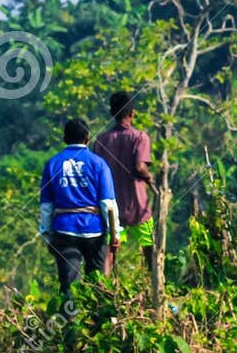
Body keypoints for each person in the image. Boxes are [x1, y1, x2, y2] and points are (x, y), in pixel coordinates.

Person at [39, 118, 119, 293]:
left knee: (69, 283)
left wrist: (46, 234)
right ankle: (98, 317)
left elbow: (46, 205)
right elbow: (108, 204)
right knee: (98, 284)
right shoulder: (99, 163)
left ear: (65, 139)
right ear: (87, 138)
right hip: (94, 230)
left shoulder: (52, 164)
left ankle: (67, 317)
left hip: (64, 229)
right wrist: (115, 234)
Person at [93, 91, 156, 280]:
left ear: (112, 113)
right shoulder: (139, 137)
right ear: (132, 113)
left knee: (111, 250)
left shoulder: (101, 141)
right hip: (137, 206)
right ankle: (155, 285)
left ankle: (103, 290)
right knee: (149, 248)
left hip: (110, 206)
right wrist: (150, 177)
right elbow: (139, 167)